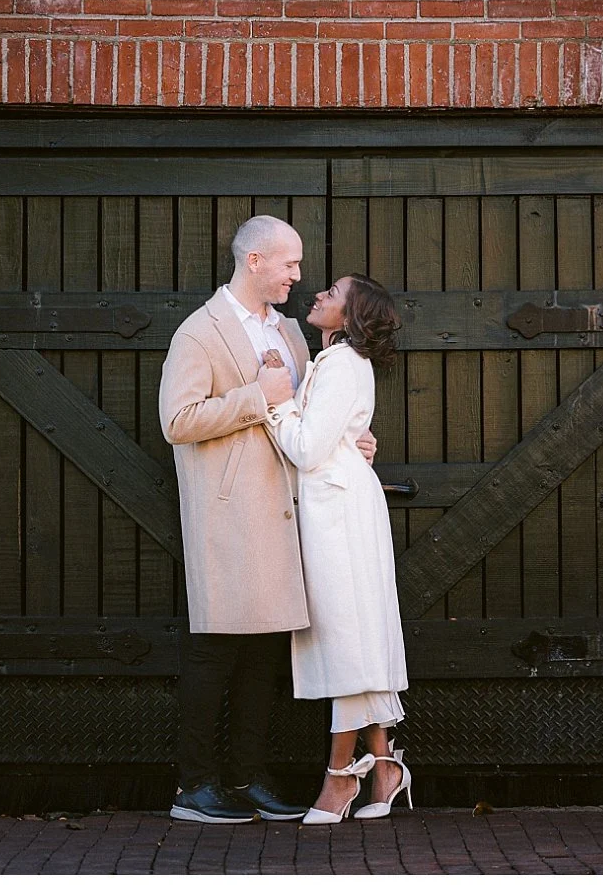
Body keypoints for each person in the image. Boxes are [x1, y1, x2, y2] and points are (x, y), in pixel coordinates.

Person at [158, 215, 375, 824]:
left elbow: (303, 416)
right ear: (254, 261)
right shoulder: (198, 334)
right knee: (215, 650)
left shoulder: (289, 333)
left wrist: (349, 441)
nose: (297, 277)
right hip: (227, 517)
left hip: (287, 518)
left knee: (265, 656)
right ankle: (193, 787)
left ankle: (246, 778)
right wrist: (256, 396)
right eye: (289, 264)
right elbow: (177, 421)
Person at [264, 273, 411, 824]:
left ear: (349, 317)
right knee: (355, 637)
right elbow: (328, 438)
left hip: (340, 515)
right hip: (339, 507)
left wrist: (277, 403)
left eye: (332, 294)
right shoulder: (336, 362)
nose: (319, 295)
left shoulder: (343, 364)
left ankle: (338, 777)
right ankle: (384, 766)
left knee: (347, 639)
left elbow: (305, 449)